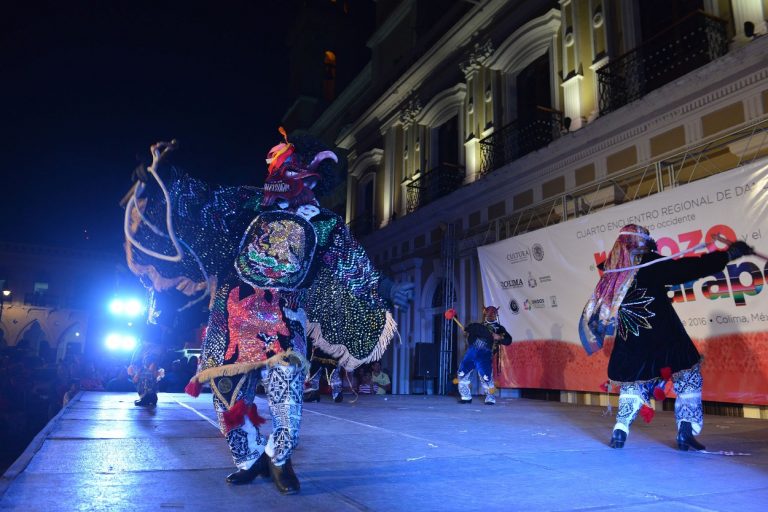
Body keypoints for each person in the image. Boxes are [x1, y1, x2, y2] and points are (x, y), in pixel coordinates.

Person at [123, 132, 412, 494]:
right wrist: (162, 177)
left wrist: (386, 288)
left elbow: (351, 263)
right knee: (226, 395)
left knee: (287, 395)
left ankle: (280, 459)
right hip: (231, 316)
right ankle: (249, 458)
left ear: (310, 178)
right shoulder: (246, 202)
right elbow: (202, 200)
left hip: (284, 319)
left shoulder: (324, 223)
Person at [579, 224, 754, 450]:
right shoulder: (647, 264)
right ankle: (686, 430)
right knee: (687, 375)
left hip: (631, 341)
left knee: (633, 384)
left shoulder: (612, 271)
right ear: (640, 243)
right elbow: (687, 269)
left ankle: (620, 430)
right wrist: (728, 255)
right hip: (665, 337)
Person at [456, 306, 512, 405]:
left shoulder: (499, 328)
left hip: (485, 354)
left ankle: (490, 397)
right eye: (488, 314)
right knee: (462, 373)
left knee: (486, 377)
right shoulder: (478, 326)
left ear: (496, 315)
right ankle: (465, 397)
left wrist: (499, 337)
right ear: (485, 314)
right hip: (472, 352)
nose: (490, 316)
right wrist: (468, 334)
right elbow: (470, 338)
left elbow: (508, 340)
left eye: (492, 314)